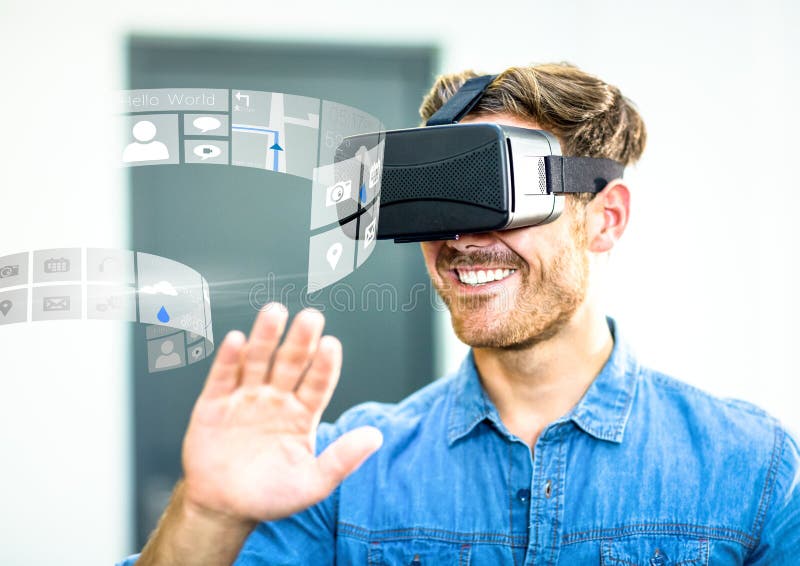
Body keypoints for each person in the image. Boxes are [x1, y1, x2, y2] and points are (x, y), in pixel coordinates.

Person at [120, 64, 800, 565]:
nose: (463, 239)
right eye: (440, 202)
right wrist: (208, 517)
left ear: (606, 219)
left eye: (494, 196)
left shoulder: (749, 469)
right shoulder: (340, 474)